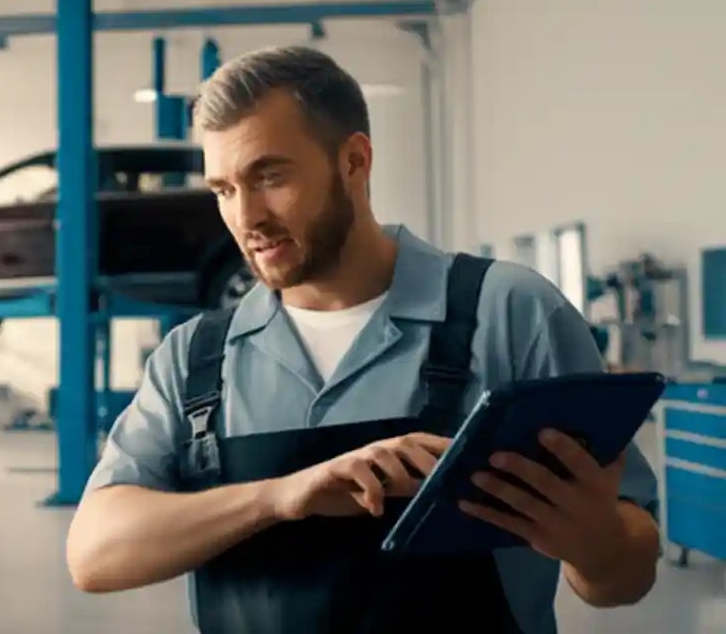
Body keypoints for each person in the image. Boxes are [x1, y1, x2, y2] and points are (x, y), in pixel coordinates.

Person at [65, 45, 660, 633]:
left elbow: (626, 577)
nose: (246, 218)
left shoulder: (511, 312)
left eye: (269, 176)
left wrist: (597, 541)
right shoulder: (196, 358)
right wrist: (278, 498)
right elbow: (94, 555)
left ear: (354, 162)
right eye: (223, 189)